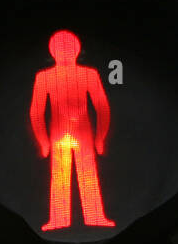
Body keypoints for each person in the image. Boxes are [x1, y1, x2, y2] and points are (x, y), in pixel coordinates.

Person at [29, 30, 116, 231]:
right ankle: (63, 218)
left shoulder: (86, 75)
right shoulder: (46, 78)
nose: (65, 53)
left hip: (70, 135)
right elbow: (36, 112)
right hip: (69, 135)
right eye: (62, 49)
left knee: (84, 174)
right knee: (67, 175)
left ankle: (89, 216)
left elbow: (102, 107)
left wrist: (101, 137)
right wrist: (42, 141)